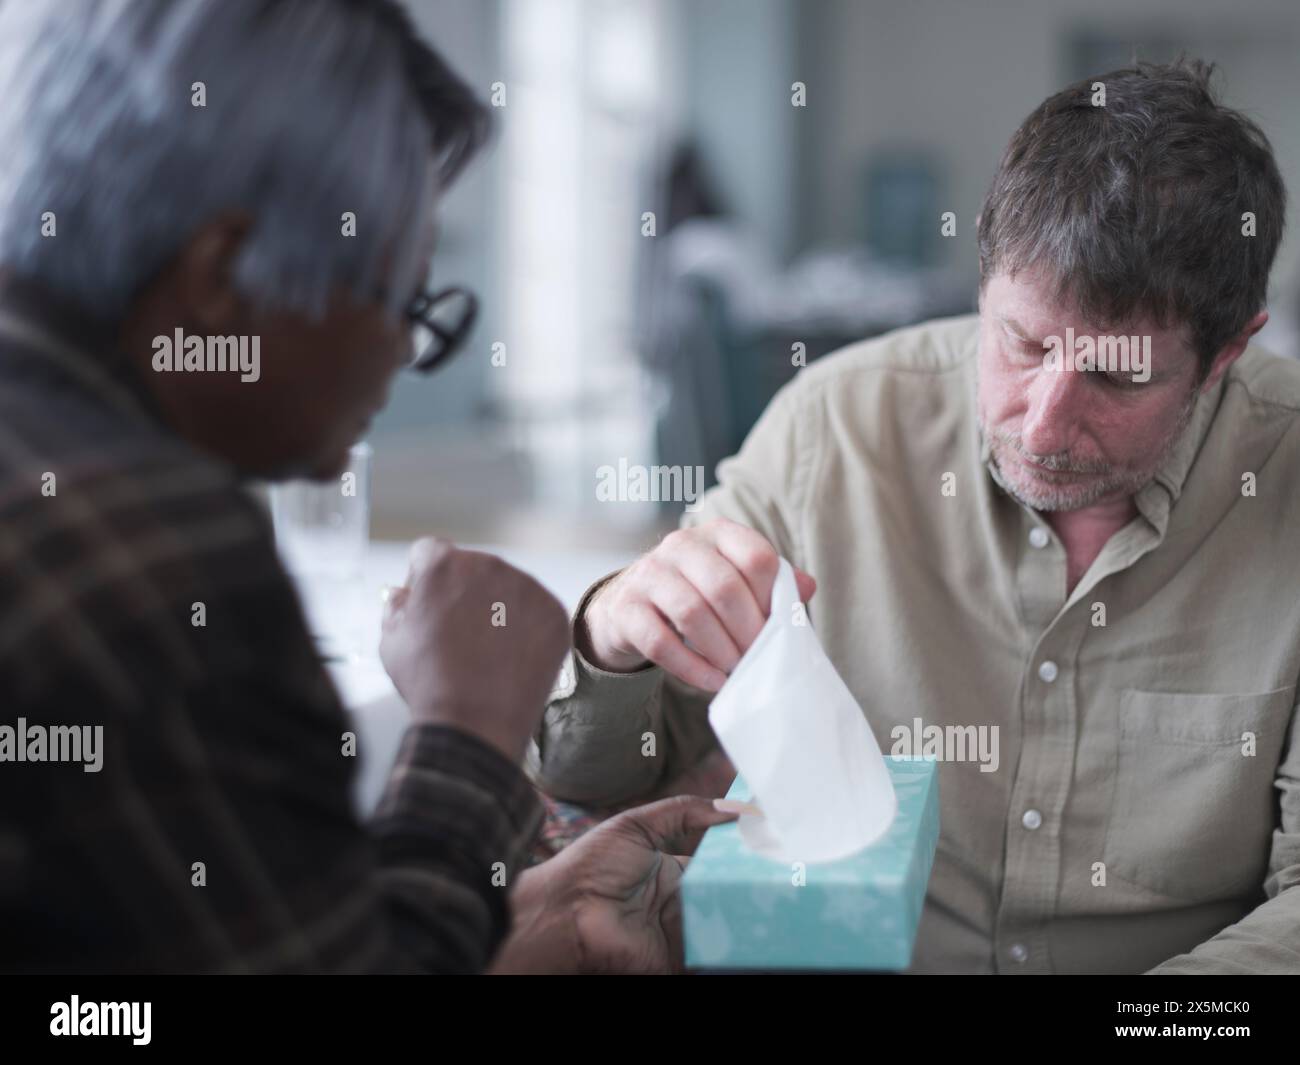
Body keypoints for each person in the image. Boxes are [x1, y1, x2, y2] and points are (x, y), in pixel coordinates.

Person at [0, 0, 732, 975]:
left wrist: (518, 920)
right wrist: (468, 725)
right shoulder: (152, 546)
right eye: (405, 297)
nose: (404, 354)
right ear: (221, 277)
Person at [534, 59, 1300, 974]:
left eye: (1119, 375)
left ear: (1227, 353)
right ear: (982, 272)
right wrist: (614, 639)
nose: (1044, 423)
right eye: (1022, 344)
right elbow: (597, 786)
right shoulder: (833, 433)